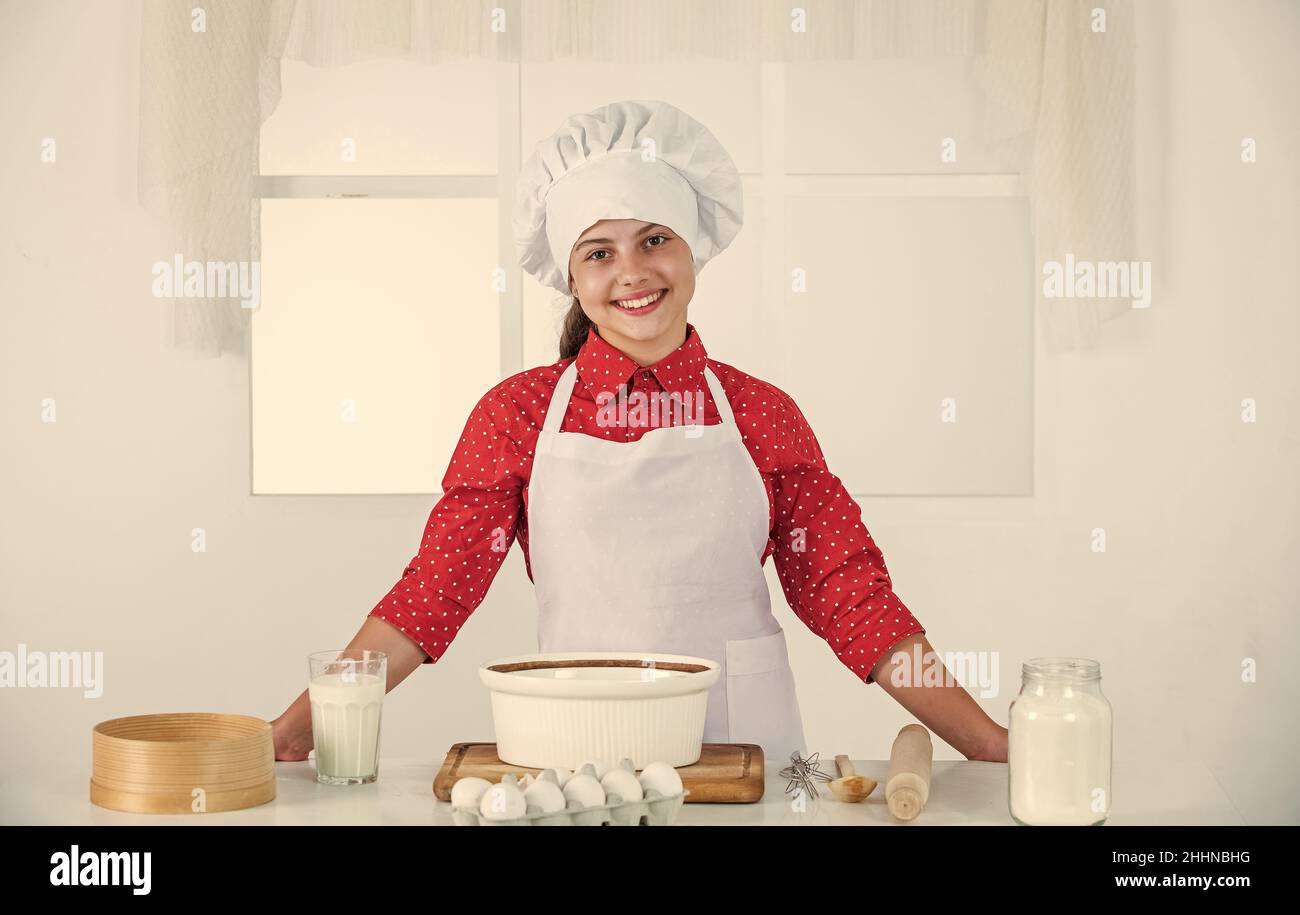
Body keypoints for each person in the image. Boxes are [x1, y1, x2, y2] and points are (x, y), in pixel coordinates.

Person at [272, 100, 1009, 764]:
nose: (632, 272)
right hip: (581, 759)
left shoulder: (763, 414)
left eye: (654, 239)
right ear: (572, 277)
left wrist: (987, 743)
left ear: (691, 251)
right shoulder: (517, 417)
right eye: (599, 252)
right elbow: (434, 593)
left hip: (742, 757)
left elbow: (852, 594)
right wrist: (301, 728)